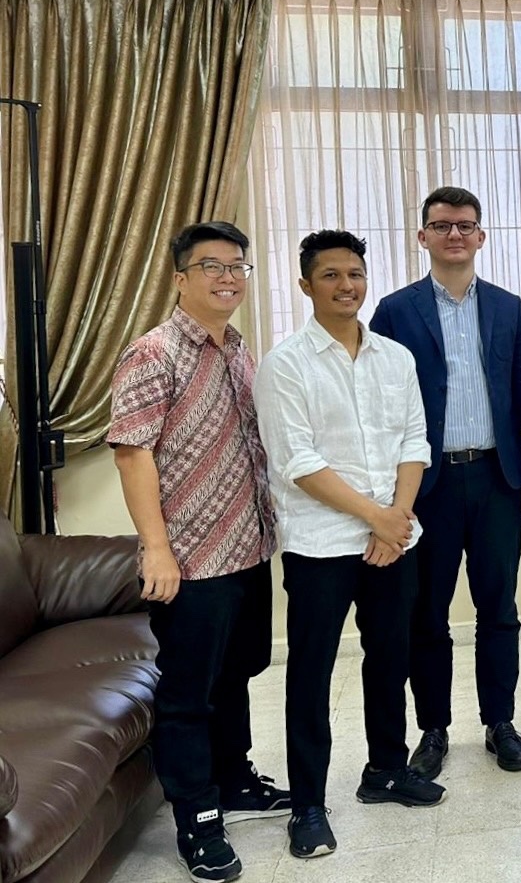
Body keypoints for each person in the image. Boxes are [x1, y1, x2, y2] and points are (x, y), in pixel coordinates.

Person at [109, 221, 289, 883]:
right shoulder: (152, 353)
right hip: (189, 558)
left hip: (247, 546)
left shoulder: (238, 349)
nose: (227, 277)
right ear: (179, 276)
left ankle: (235, 778)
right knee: (186, 694)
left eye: (237, 266)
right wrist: (156, 550)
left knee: (236, 672)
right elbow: (132, 455)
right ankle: (196, 817)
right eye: (210, 265)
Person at [254, 230, 442, 861]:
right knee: (310, 673)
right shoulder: (285, 364)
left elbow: (415, 442)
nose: (346, 286)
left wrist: (398, 517)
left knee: (390, 656)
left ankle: (385, 770)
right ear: (306, 285)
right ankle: (307, 801)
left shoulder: (395, 357)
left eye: (355, 274)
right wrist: (379, 519)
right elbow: (297, 461)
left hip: (393, 536)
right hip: (321, 543)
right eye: (331, 275)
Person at [370, 186, 521, 778]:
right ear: (423, 237)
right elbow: (383, 404)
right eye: (441, 226)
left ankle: (501, 722)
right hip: (429, 487)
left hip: (497, 479)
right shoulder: (394, 311)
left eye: (465, 226)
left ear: (480, 236)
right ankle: (435, 729)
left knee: (500, 608)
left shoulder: (507, 306)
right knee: (428, 614)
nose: (454, 236)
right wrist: (394, 495)